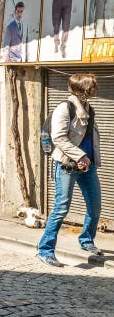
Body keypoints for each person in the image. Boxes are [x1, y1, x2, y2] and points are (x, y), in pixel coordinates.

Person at [37, 73, 102, 267]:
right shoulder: (65, 108)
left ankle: (86, 240)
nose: (96, 89)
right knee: (61, 208)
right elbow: (59, 138)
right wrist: (79, 156)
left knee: (95, 206)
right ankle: (45, 249)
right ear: (83, 90)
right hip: (67, 165)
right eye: (93, 86)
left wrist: (89, 159)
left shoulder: (89, 109)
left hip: (87, 166)